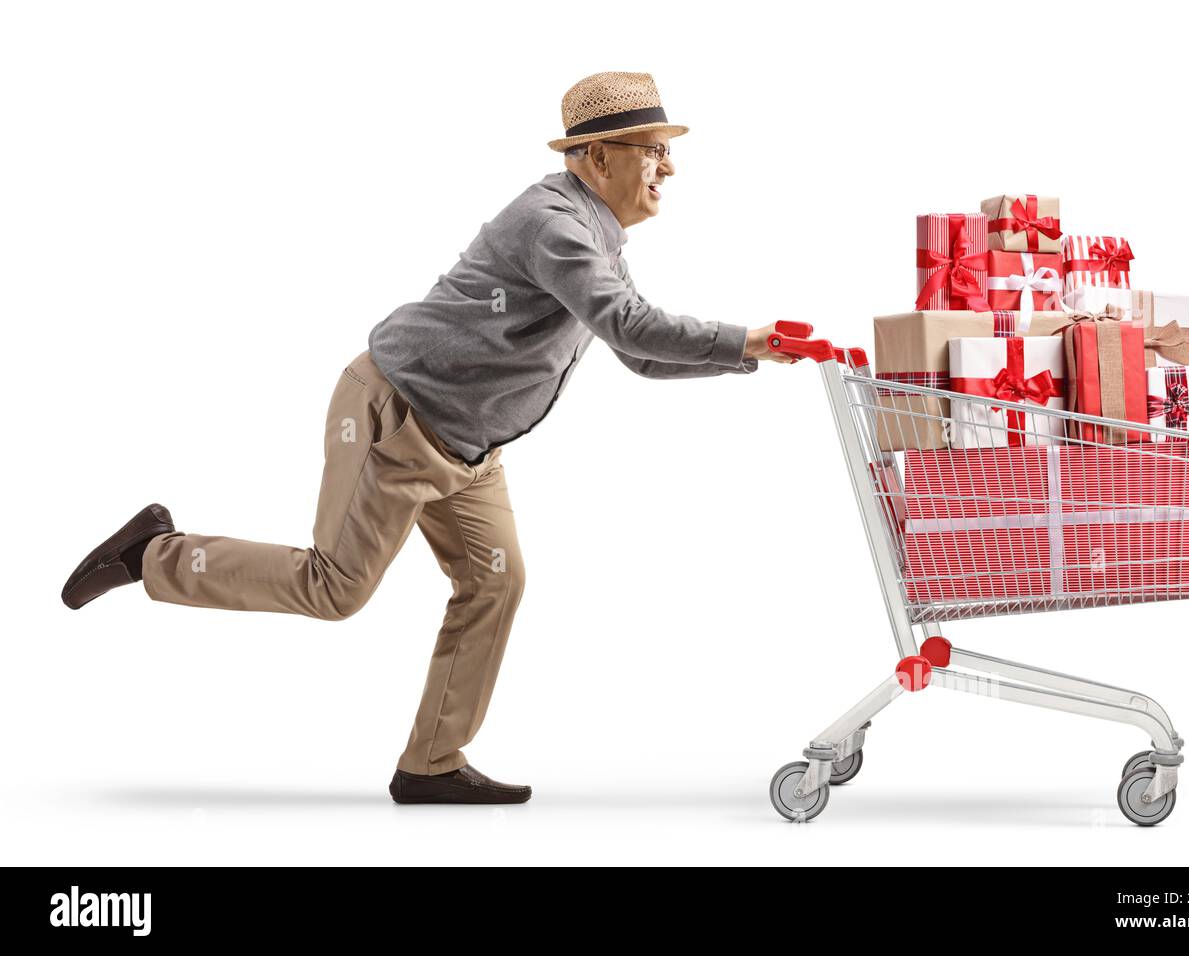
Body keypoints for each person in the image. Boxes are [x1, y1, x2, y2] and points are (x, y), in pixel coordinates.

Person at [60, 71, 794, 805]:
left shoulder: (596, 233)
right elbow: (632, 328)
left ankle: (432, 764)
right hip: (395, 417)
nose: (670, 166)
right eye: (655, 149)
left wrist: (744, 358)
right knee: (334, 588)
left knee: (495, 581)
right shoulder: (556, 226)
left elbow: (634, 353)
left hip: (468, 445)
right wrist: (743, 341)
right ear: (598, 156)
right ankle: (152, 553)